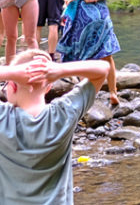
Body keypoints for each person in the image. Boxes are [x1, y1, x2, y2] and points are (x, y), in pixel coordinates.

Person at [0, 49, 109, 203]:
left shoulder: (3, 117)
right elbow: (102, 68)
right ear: (49, 87)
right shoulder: (64, 113)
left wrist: (12, 72)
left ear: (12, 85)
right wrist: (60, 70)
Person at [56, 0, 122, 105]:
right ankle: (113, 92)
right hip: (102, 14)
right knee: (107, 54)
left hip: (84, 14)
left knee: (81, 52)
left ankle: (85, 95)